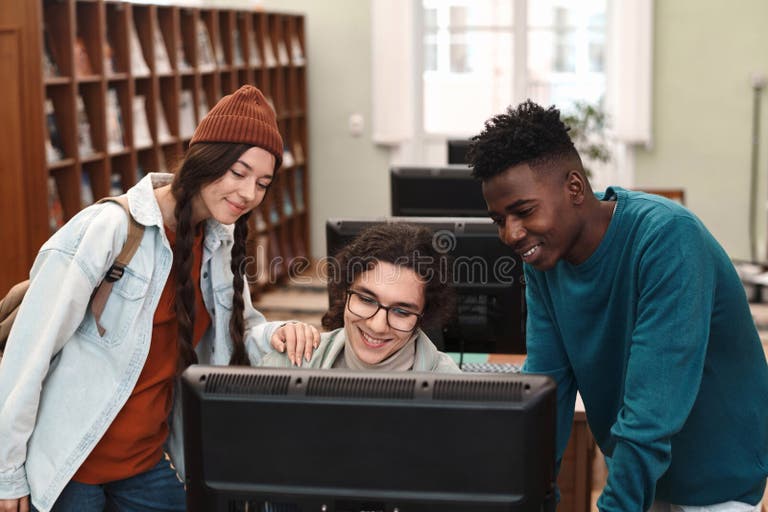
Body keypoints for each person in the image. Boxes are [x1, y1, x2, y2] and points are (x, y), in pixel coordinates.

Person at [0, 85, 319, 512]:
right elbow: (27, 357)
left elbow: (241, 332)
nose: (249, 194)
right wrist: (8, 476)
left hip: (148, 462)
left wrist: (282, 332)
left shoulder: (220, 243)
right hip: (66, 470)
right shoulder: (109, 229)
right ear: (206, 160)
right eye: (238, 172)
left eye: (262, 183)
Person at [467, 100, 768, 512]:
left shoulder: (667, 239)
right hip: (636, 466)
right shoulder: (544, 260)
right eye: (498, 220)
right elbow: (547, 390)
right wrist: (532, 497)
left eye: (523, 211)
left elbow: (651, 412)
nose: (511, 233)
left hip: (715, 477)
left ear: (574, 188)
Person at [261, 223, 460, 373]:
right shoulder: (288, 366)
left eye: (401, 311)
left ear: (423, 316)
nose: (378, 326)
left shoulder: (452, 388)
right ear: (344, 291)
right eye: (367, 300)